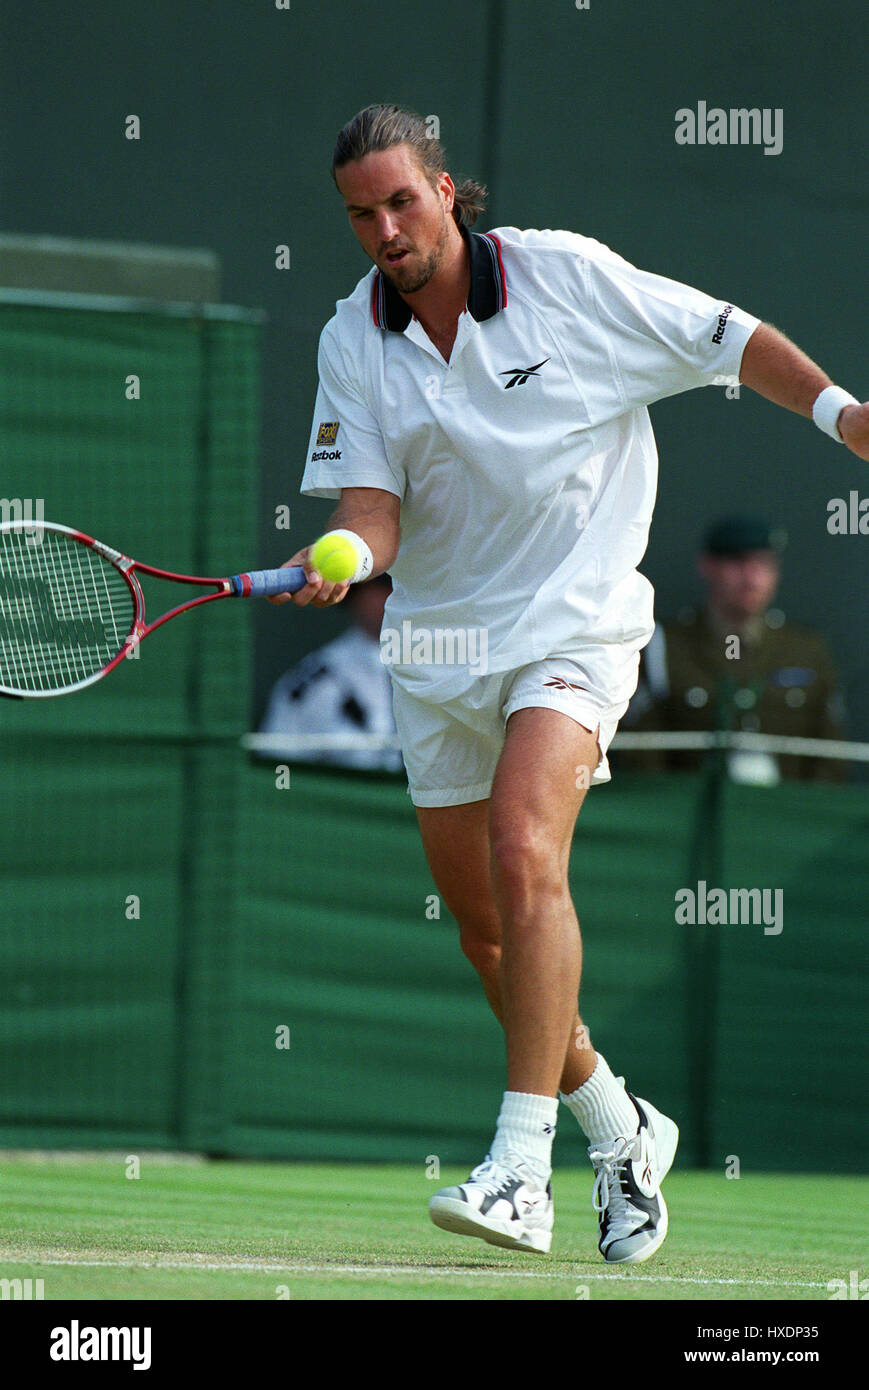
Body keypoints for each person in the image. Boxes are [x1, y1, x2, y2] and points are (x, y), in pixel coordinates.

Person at [270, 104, 869, 1263]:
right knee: (486, 940)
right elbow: (371, 510)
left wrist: (841, 415)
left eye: (401, 200)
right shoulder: (352, 339)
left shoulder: (567, 279)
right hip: (438, 651)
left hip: (576, 627)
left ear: (446, 190)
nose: (385, 229)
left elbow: (724, 336)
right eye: (360, 214)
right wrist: (334, 558)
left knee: (521, 850)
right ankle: (620, 1125)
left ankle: (515, 1171)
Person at [623, 516, 845, 783]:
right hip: (690, 813)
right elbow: (641, 752)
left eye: (764, 564)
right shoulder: (665, 645)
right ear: (708, 566)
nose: (752, 579)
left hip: (788, 814)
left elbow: (832, 753)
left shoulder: (805, 649)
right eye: (738, 563)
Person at [257, 573, 401, 772]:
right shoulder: (317, 680)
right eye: (381, 586)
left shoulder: (448, 665)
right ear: (354, 595)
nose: (392, 595)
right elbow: (279, 772)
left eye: (401, 585)